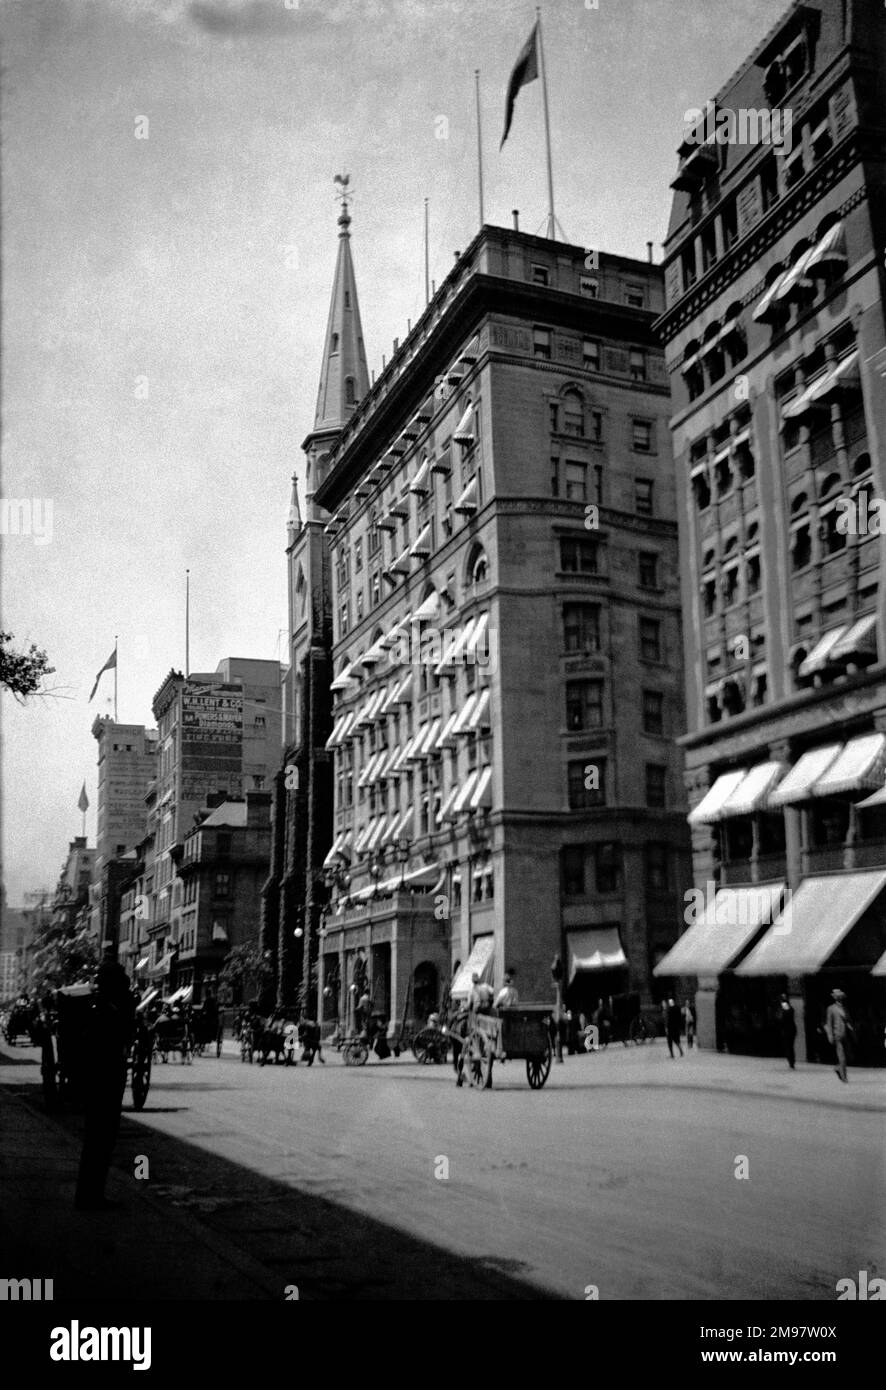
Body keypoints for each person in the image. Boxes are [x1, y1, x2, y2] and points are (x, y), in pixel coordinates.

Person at [74, 957, 136, 1212]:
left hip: (97, 1082)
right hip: (106, 1081)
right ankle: (91, 1196)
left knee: (96, 1141)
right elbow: (125, 1037)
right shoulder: (109, 1010)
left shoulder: (97, 1006)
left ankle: (88, 1194)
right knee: (101, 1140)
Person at [825, 988, 853, 1083]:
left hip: (846, 1034)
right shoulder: (831, 1009)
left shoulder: (845, 1008)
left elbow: (848, 1020)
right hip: (837, 1035)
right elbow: (829, 1023)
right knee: (842, 1057)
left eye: (840, 997)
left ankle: (838, 1068)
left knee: (849, 1056)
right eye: (838, 997)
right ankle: (844, 1077)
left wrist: (851, 1028)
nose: (839, 998)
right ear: (835, 998)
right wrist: (830, 1036)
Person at [778, 993, 797, 1070]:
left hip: (787, 1030)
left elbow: (783, 1018)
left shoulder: (784, 1006)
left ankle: (791, 1062)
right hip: (791, 1029)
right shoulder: (790, 1007)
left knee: (788, 1047)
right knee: (790, 1046)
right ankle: (792, 1062)